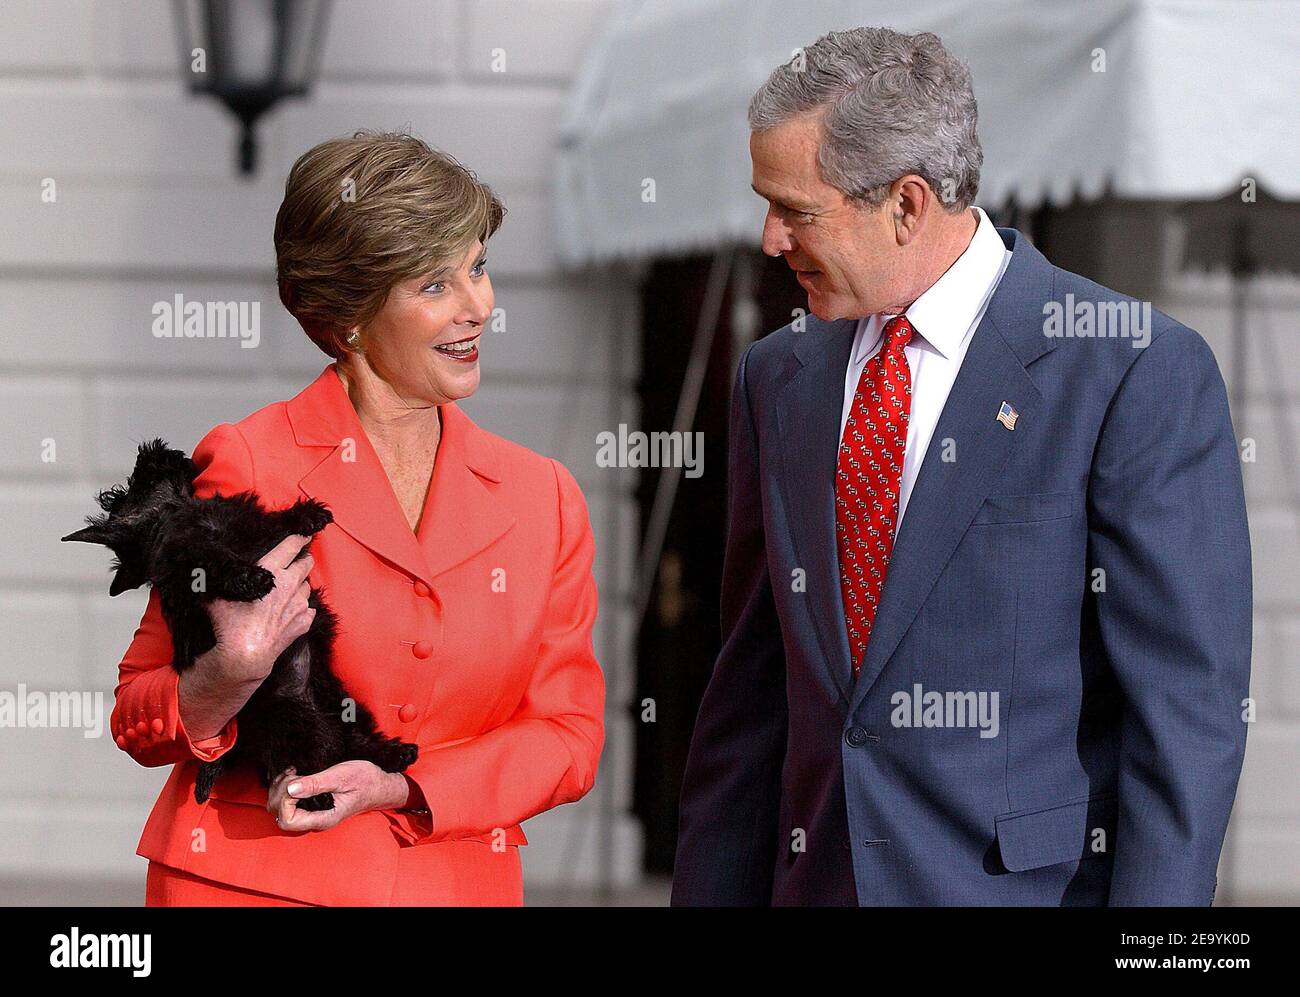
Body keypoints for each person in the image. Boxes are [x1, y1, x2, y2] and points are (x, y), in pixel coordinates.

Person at [672, 27, 1251, 906]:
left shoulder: (1130, 369)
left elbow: (1186, 721)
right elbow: (747, 705)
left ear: (907, 203)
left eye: (797, 209)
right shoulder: (776, 375)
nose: (769, 238)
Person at [113, 131, 605, 906]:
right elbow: (138, 708)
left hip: (455, 886)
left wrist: (401, 785)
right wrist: (225, 674)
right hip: (248, 886)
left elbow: (569, 736)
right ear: (351, 314)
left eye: (477, 268)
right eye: (435, 285)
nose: (480, 306)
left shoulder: (543, 496)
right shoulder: (251, 459)